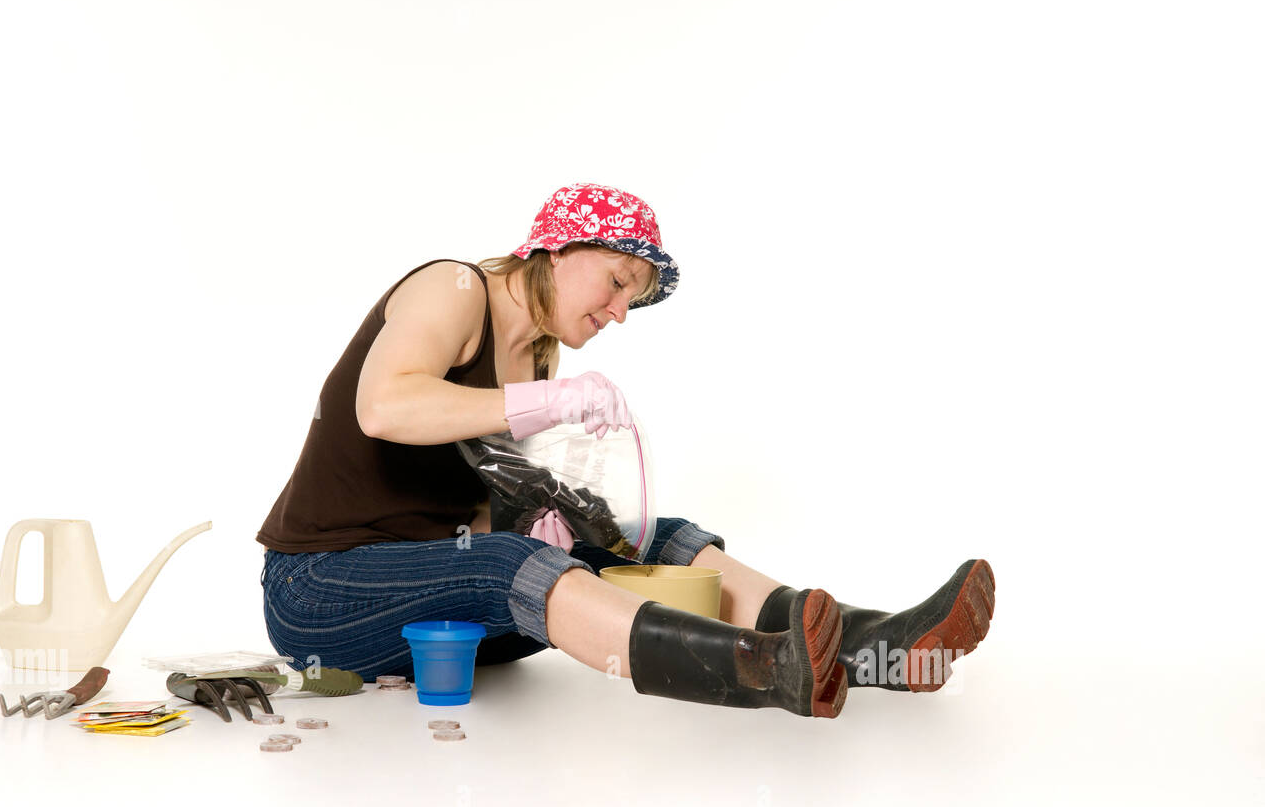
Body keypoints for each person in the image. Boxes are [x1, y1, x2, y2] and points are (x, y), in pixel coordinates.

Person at [256, 182, 995, 719]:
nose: (618, 312)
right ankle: (760, 670)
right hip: (321, 592)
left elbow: (462, 509)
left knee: (640, 537)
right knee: (511, 564)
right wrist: (540, 409)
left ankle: (879, 647)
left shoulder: (536, 352)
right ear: (559, 245)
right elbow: (383, 406)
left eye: (630, 299)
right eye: (616, 281)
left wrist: (537, 520)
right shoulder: (454, 289)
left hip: (435, 596)